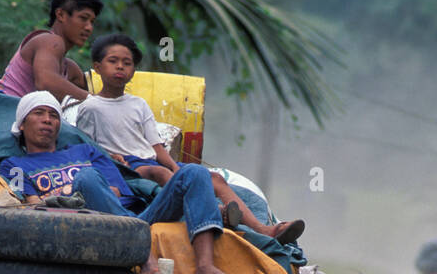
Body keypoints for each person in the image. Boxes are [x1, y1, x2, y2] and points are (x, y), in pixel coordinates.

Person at [73, 33, 304, 244]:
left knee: (212, 178)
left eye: (127, 63)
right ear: (97, 67)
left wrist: (175, 168)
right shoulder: (90, 108)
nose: (120, 67)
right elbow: (88, 148)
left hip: (151, 161)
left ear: (133, 70)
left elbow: (157, 147)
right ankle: (219, 213)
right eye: (113, 61)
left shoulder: (138, 104)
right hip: (125, 169)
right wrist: (113, 157)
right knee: (160, 173)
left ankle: (263, 229)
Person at [0, 91, 244, 274]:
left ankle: (205, 269)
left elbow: (116, 191)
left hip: (131, 218)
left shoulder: (86, 151)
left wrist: (75, 193)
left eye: (53, 115)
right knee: (86, 178)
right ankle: (145, 257)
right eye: (38, 113)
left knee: (195, 172)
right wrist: (70, 199)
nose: (47, 120)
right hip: (82, 223)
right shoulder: (13, 165)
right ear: (21, 124)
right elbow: (29, 205)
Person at [0, 0, 103, 102]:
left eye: (92, 21)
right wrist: (98, 102)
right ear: (61, 15)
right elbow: (46, 83)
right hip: (3, 113)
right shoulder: (49, 41)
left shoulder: (70, 69)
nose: (89, 27)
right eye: (83, 18)